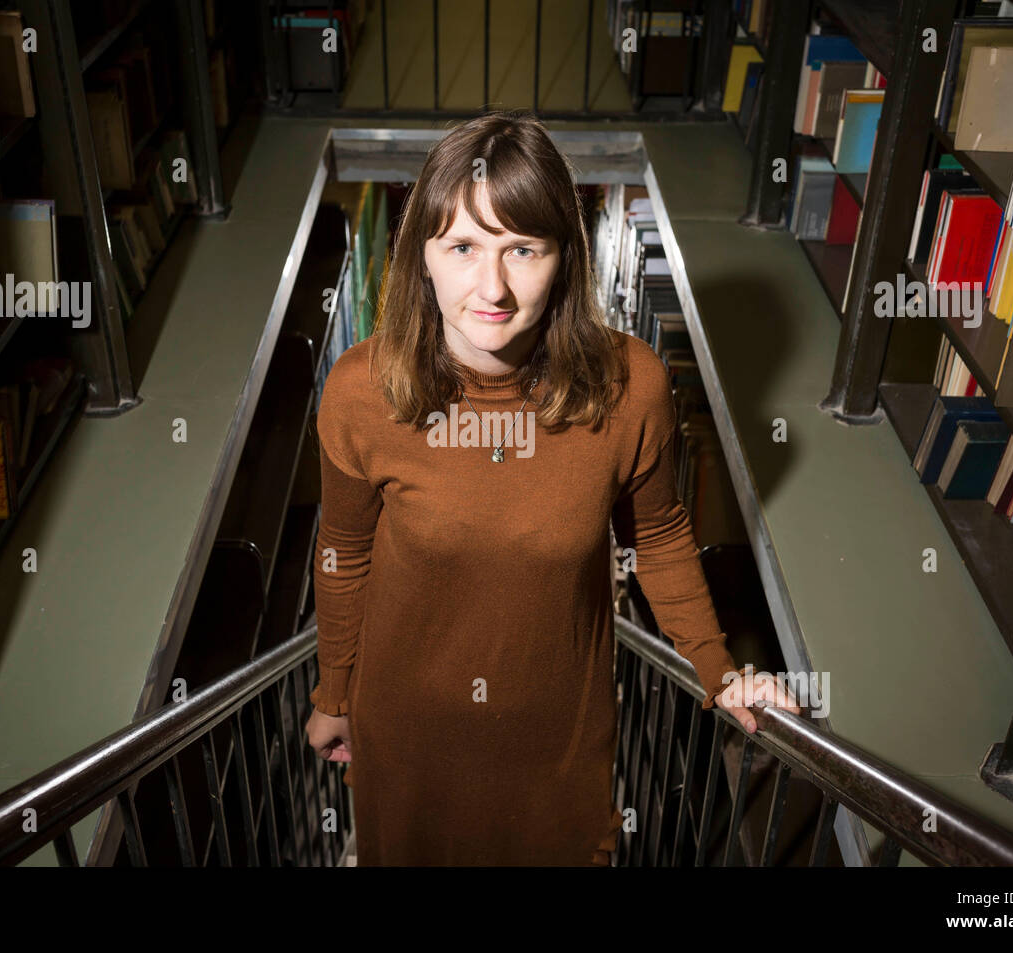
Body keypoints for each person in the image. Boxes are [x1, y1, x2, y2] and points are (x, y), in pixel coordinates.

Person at [304, 110, 799, 866]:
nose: (492, 286)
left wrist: (719, 671)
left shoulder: (629, 385)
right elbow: (344, 550)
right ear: (423, 257)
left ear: (564, 256)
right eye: (463, 247)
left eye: (523, 248)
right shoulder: (360, 390)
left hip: (557, 745)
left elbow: (660, 535)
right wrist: (334, 697)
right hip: (409, 735)